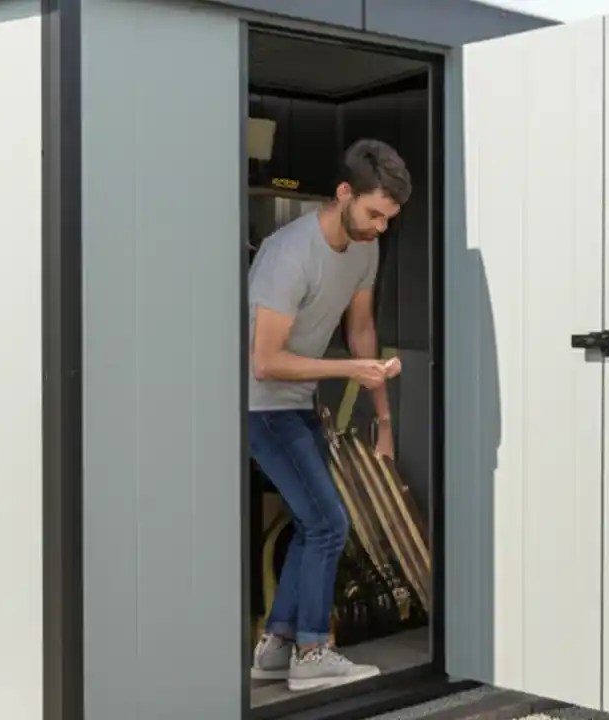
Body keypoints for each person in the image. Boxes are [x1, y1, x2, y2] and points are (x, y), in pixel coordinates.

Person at [247, 138, 410, 692]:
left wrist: (384, 422)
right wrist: (346, 373)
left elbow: (361, 334)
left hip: (298, 403)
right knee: (328, 524)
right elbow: (264, 362)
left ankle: (276, 647)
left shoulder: (365, 249)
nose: (379, 228)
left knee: (312, 522)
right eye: (373, 214)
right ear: (344, 193)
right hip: (258, 406)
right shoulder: (287, 254)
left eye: (389, 219)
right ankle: (312, 653)